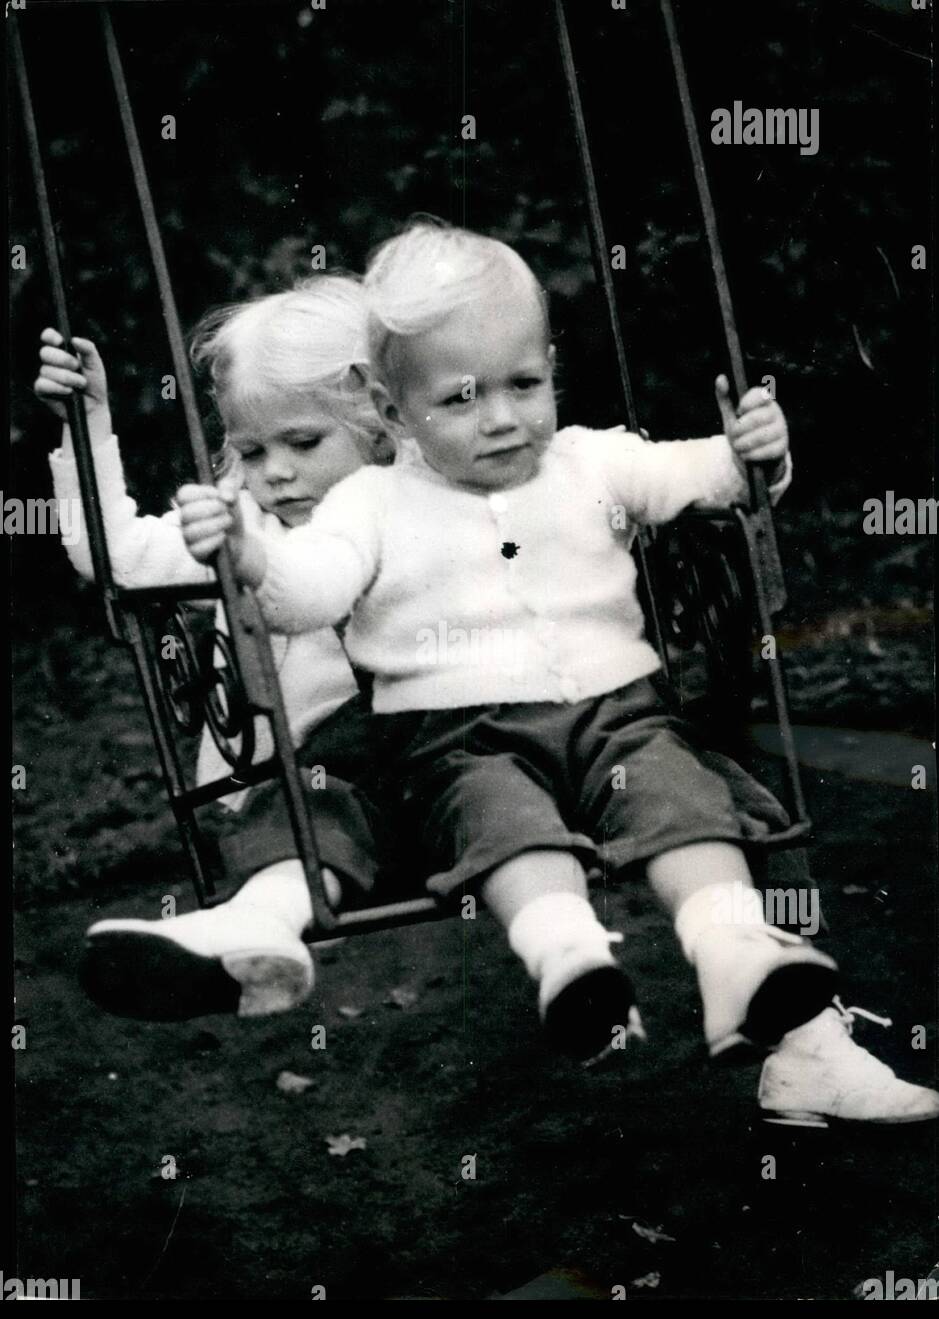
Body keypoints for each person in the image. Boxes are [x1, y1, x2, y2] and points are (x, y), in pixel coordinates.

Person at [179, 223, 938, 1127]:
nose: (500, 417)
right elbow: (297, 588)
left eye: (522, 386)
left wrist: (751, 454)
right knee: (463, 816)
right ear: (394, 411)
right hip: (443, 761)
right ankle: (554, 958)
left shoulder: (541, 469)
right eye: (461, 399)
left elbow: (694, 475)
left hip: (597, 727)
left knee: (702, 799)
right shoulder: (344, 516)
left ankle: (763, 989)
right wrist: (247, 559)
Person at [35, 275, 404, 1023]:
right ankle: (251, 935)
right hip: (309, 800)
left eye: (303, 442)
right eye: (251, 449)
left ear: (381, 421)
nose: (275, 471)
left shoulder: (427, 513)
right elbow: (120, 559)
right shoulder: (241, 525)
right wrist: (86, 426)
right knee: (315, 787)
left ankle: (254, 923)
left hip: (446, 777)